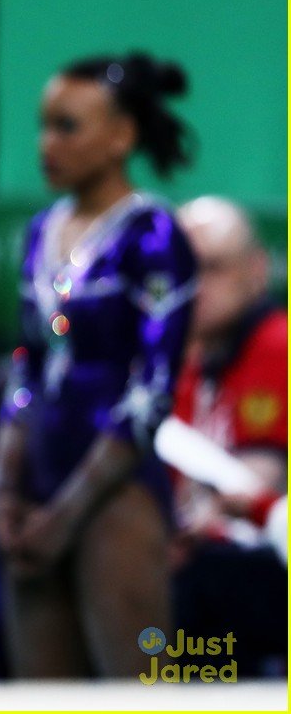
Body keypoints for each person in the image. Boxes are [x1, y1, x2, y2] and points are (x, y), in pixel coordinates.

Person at [0, 53, 197, 677]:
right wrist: (2, 486)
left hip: (114, 494)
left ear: (121, 136)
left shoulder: (154, 236)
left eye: (68, 127)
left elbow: (150, 396)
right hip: (36, 491)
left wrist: (67, 516)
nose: (47, 144)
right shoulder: (40, 230)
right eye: (43, 125)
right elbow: (26, 366)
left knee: (135, 688)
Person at [168, 196, 286, 676]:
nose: (194, 286)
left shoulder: (279, 345)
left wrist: (202, 514)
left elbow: (262, 476)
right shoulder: (176, 359)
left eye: (211, 268)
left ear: (256, 270)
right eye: (182, 269)